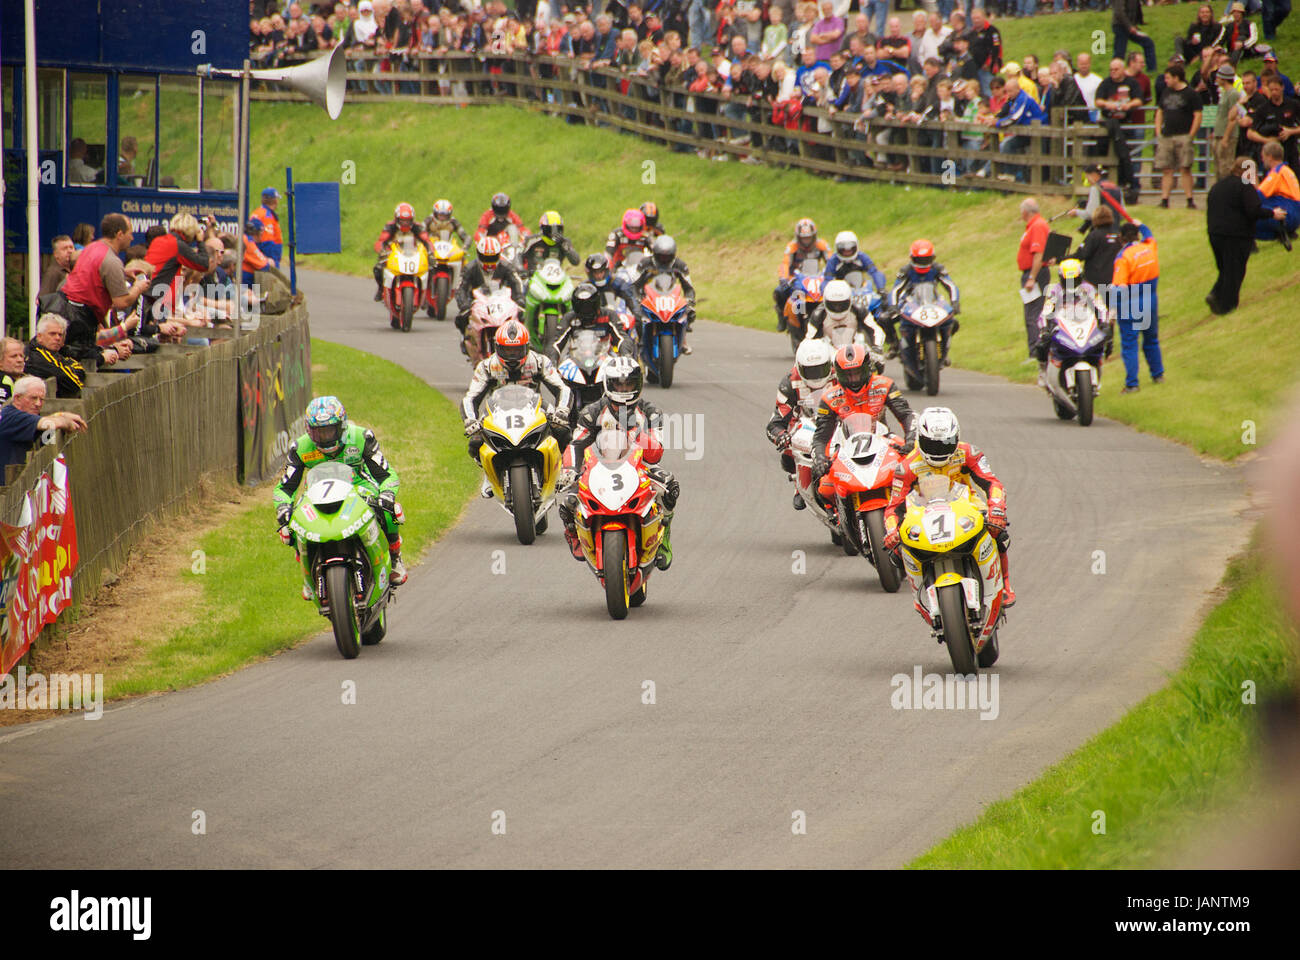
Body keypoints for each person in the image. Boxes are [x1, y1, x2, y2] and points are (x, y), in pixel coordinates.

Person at [883, 406, 1015, 608]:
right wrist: (892, 531)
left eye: (946, 443)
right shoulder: (906, 467)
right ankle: (920, 593)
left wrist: (996, 509)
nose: (939, 450)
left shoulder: (969, 453)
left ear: (956, 438)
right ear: (920, 439)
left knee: (998, 533)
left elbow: (993, 483)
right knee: (899, 551)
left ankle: (1004, 583)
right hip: (924, 512)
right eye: (931, 444)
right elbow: (893, 507)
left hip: (968, 506)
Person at [274, 395, 408, 592]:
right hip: (317, 494)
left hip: (360, 488)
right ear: (309, 431)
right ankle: (308, 574)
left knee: (392, 512)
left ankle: (395, 556)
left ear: (342, 426)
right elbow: (284, 488)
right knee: (290, 528)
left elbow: (387, 475)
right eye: (319, 432)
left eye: (330, 430)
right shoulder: (300, 448)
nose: (325, 437)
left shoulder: (362, 437)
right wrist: (283, 507)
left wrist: (387, 493)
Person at [558, 355, 679, 567]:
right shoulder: (592, 412)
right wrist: (569, 469)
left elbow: (656, 453)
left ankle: (664, 538)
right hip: (599, 469)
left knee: (670, 488)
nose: (623, 389)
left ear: (638, 384)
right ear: (608, 384)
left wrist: (635, 433)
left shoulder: (651, 413)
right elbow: (576, 444)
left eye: (628, 384)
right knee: (568, 501)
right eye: (618, 384)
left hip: (639, 467)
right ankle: (574, 534)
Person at [462, 321, 572, 491]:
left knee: (563, 429)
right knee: (475, 441)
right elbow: (471, 398)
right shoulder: (486, 366)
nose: (512, 355)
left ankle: (562, 469)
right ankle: (489, 474)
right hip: (496, 412)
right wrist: (470, 421)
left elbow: (562, 389)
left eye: (516, 350)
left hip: (536, 407)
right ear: (498, 348)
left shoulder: (540, 361)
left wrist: (562, 411)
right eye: (507, 350)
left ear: (526, 347)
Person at [810, 345, 916, 516]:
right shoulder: (829, 397)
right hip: (846, 444)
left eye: (858, 373)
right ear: (838, 374)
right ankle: (836, 515)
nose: (853, 379)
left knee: (915, 466)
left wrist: (911, 440)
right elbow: (821, 436)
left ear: (868, 368)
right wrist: (820, 459)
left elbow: (907, 415)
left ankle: (917, 508)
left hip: (883, 438)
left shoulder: (884, 385)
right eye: (848, 375)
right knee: (825, 487)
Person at [57, 213, 152, 367]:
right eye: (130, 233)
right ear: (119, 234)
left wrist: (123, 273)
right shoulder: (111, 261)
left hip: (66, 308)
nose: (132, 238)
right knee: (82, 365)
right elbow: (121, 302)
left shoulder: (92, 248)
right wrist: (138, 288)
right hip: (82, 319)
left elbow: (95, 270)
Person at [1206, 157, 1288, 313]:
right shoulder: (1245, 185)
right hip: (1236, 235)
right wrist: (1272, 213)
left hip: (1215, 233)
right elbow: (1253, 210)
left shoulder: (1219, 185)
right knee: (1235, 270)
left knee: (1225, 268)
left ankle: (1216, 294)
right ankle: (1227, 307)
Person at [766, 337, 835, 508]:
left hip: (838, 422)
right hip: (806, 427)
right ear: (799, 367)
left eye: (821, 369)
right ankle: (800, 483)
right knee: (787, 453)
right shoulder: (789, 383)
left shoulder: (839, 374)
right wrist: (781, 437)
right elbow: (775, 423)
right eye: (811, 371)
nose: (817, 376)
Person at [1033, 258, 1112, 387]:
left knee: (1104, 338)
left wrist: (1105, 323)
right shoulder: (1055, 290)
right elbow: (1045, 312)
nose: (1071, 284)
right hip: (1062, 326)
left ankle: (1097, 364)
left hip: (1085, 324)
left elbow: (1101, 307)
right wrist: (1044, 328)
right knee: (1042, 343)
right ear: (1061, 278)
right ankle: (1042, 369)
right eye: (1067, 281)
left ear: (1080, 277)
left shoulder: (1089, 289)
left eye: (1074, 280)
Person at [0, 377, 87, 481]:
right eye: (33, 398)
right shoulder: (10, 416)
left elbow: (45, 435)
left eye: (41, 399)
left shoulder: (25, 418)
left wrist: (60, 415)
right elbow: (47, 424)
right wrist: (63, 421)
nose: (38, 404)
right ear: (17, 398)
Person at [1112, 219, 1164, 394]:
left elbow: (1120, 287)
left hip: (1131, 301)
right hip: (1150, 298)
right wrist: (1142, 225)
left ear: (1121, 238)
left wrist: (1113, 307)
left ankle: (1132, 384)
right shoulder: (1149, 247)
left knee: (1130, 344)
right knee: (1151, 339)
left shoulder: (1123, 257)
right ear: (1137, 234)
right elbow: (1150, 236)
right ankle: (1158, 375)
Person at [887, 239, 959, 360]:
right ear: (912, 258)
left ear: (933, 258)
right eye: (919, 260)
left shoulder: (937, 268)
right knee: (885, 319)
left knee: (953, 323)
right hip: (911, 303)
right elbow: (895, 290)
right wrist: (893, 307)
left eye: (926, 259)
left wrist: (955, 302)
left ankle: (943, 350)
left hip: (933, 303)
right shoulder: (906, 270)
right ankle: (895, 346)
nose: (923, 263)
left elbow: (951, 286)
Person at [629, 235, 696, 354]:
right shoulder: (645, 263)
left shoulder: (680, 265)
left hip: (671, 298)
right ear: (655, 253)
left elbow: (689, 287)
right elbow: (634, 284)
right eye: (661, 256)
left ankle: (683, 341)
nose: (664, 260)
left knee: (689, 313)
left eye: (667, 257)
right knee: (637, 316)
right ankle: (640, 341)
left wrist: (689, 300)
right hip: (648, 299)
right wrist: (637, 299)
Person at [454, 235, 526, 341]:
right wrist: (464, 304)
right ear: (479, 255)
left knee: (521, 315)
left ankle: (519, 340)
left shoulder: (506, 267)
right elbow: (460, 287)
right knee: (460, 319)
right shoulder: (470, 268)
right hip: (476, 303)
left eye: (492, 257)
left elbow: (516, 282)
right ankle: (467, 339)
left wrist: (519, 298)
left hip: (501, 302)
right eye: (485, 258)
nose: (489, 261)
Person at [1154, 64, 1204, 209]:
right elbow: (1160, 111)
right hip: (1167, 136)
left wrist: (1191, 135)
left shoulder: (1191, 94)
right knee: (1167, 169)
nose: (1166, 81)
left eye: (1168, 78)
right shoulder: (1166, 92)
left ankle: (1189, 200)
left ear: (1176, 78)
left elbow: (1198, 115)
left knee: (1185, 168)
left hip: (1183, 136)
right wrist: (1158, 131)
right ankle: (1164, 200)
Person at [774, 217, 830, 330]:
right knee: (779, 291)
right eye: (803, 238)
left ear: (814, 236)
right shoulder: (792, 247)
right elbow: (785, 263)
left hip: (815, 277)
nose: (806, 241)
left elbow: (831, 261)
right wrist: (783, 279)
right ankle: (782, 316)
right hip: (795, 278)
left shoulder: (822, 245)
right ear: (798, 237)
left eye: (809, 238)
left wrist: (832, 276)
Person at [553, 282, 634, 359]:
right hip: (576, 359)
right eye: (582, 306)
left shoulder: (608, 315)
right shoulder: (569, 318)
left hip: (605, 357)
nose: (585, 310)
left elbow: (622, 337)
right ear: (575, 306)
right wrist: (551, 361)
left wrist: (626, 355)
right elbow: (555, 342)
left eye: (589, 306)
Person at [371, 202, 429, 301]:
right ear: (397, 219)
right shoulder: (390, 226)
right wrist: (382, 251)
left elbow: (427, 241)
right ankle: (381, 288)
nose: (405, 223)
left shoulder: (417, 227)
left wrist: (431, 254)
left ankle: (425, 295)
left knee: (430, 268)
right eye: (402, 221)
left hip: (412, 254)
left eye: (408, 221)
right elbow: (381, 241)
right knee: (378, 268)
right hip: (394, 254)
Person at [1016, 198, 1052, 358]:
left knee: (1033, 313)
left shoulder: (1037, 226)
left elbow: (1038, 254)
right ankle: (1037, 350)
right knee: (1033, 311)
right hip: (1035, 273)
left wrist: (1032, 277)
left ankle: (1036, 352)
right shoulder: (1037, 225)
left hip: (1035, 274)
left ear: (1025, 212)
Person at [24, 314, 87, 399]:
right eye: (52, 334)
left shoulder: (56, 353)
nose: (57, 338)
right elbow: (73, 384)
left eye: (60, 335)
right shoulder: (37, 356)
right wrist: (70, 371)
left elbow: (78, 368)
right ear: (39, 337)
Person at [1255, 139, 1300, 245]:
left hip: (1288, 213)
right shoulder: (1287, 170)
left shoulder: (1276, 173)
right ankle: (1285, 233)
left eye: (1263, 157)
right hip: (1295, 212)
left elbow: (1258, 195)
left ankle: (1248, 242)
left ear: (1269, 157)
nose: (1262, 160)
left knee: (1248, 213)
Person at [1069, 163, 1133, 231]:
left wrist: (1076, 212)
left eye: (1087, 177)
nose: (1088, 180)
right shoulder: (1116, 187)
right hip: (1115, 230)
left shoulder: (1096, 188)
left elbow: (1091, 214)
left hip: (1100, 231)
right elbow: (1122, 214)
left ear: (1093, 175)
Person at [822, 230, 887, 294]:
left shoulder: (862, 257)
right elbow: (827, 280)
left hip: (862, 291)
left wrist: (881, 289)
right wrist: (825, 293)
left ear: (855, 247)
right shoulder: (833, 261)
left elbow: (874, 272)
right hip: (842, 295)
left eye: (849, 249)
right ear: (838, 249)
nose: (847, 252)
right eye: (844, 250)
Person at [1212, 63, 1246, 179]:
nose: (1216, 79)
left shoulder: (1233, 94)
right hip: (1219, 133)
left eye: (1218, 76)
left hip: (1227, 135)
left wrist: (1226, 137)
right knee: (1218, 165)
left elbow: (1232, 118)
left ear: (1224, 79)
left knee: (1226, 165)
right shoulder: (1223, 93)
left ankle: (1227, 192)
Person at [520, 210, 580, 274]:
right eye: (550, 229)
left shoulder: (564, 242)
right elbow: (518, 255)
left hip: (555, 279)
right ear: (543, 229)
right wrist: (520, 269)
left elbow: (576, 261)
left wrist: (566, 248)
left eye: (558, 229)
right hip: (534, 279)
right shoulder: (531, 240)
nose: (554, 233)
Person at [1112, 0, 1157, 72]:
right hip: (1120, 26)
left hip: (1130, 26)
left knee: (1148, 42)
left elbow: (1137, 7)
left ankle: (1151, 71)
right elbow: (1119, 12)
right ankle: (1116, 72)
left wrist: (1137, 23)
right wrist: (1129, 26)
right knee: (1120, 53)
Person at [250, 187, 284, 267]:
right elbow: (267, 241)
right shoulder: (267, 216)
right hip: (267, 258)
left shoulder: (256, 212)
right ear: (275, 200)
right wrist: (272, 260)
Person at [0, 337, 27, 403]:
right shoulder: (3, 381)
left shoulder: (28, 380)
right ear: (0, 361)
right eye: (14, 356)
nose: (20, 360)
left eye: (21, 356)